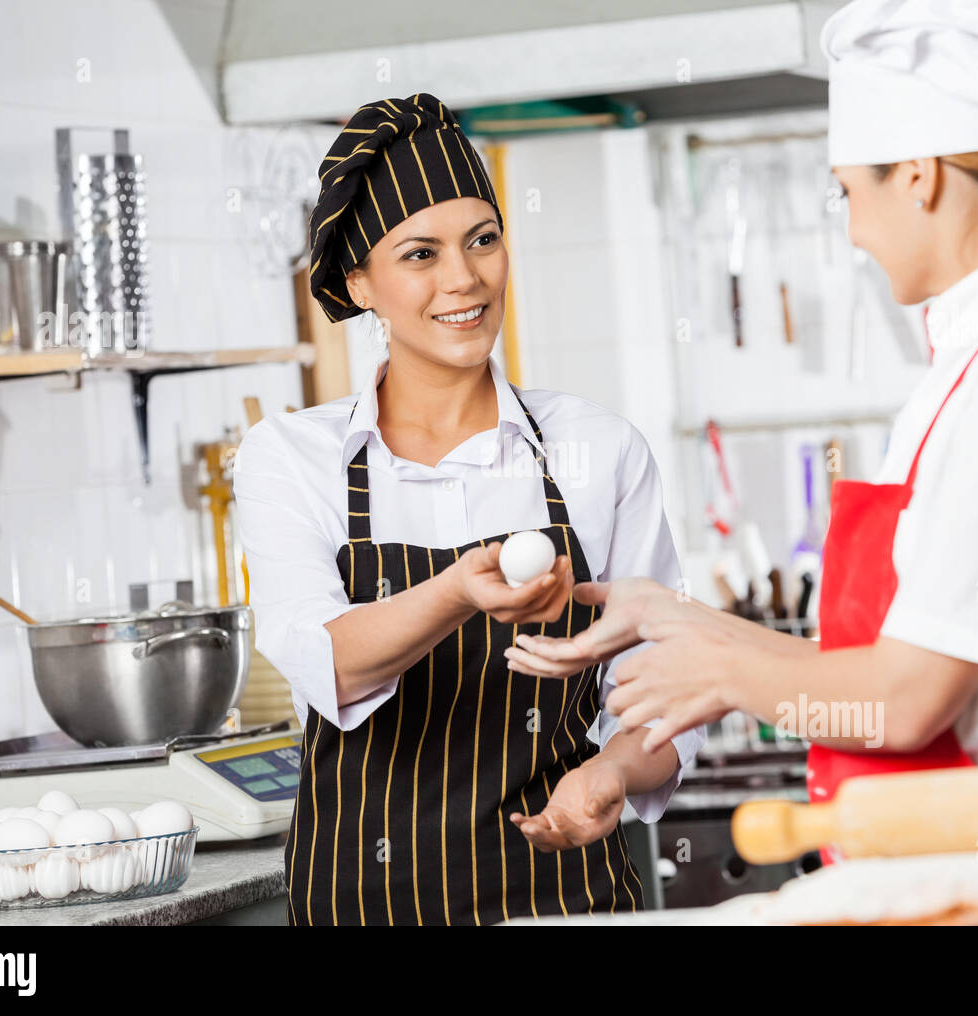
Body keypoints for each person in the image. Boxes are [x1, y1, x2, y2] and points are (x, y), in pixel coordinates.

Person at [507, 0, 978, 862]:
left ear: (918, 174)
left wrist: (722, 673)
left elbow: (905, 702)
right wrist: (683, 622)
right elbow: (897, 664)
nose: (853, 227)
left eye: (845, 191)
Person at [232, 94, 703, 923]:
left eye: (483, 239)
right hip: (364, 909)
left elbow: (664, 698)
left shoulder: (597, 451)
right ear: (358, 283)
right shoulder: (293, 459)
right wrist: (456, 592)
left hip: (564, 900)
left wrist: (613, 772)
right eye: (420, 253)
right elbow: (326, 665)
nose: (465, 279)